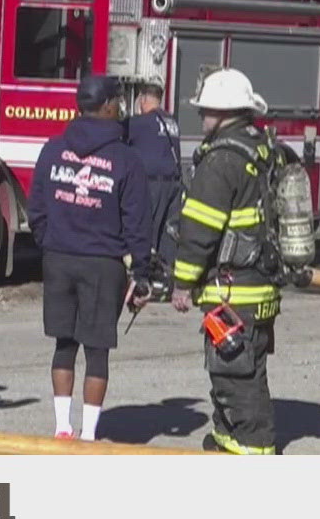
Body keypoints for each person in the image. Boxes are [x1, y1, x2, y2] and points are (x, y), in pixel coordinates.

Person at [26, 73, 152, 441]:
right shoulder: (125, 160)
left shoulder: (52, 149)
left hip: (59, 259)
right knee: (97, 351)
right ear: (109, 105)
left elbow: (36, 207)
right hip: (103, 265)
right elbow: (137, 223)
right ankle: (88, 435)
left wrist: (51, 241)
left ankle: (62, 427)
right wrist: (142, 271)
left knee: (63, 344)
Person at [166, 67, 283, 455]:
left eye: (205, 111)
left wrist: (182, 283)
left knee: (234, 374)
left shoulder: (221, 162)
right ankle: (226, 439)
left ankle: (253, 449)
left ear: (222, 111)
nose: (201, 118)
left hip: (234, 292)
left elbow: (200, 231)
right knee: (245, 368)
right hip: (259, 287)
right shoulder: (263, 149)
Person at [126, 82, 185, 279]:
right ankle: (165, 277)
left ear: (142, 99)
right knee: (168, 232)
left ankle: (143, 276)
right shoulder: (171, 121)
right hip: (174, 184)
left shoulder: (141, 123)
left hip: (153, 184)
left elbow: (114, 133)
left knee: (146, 230)